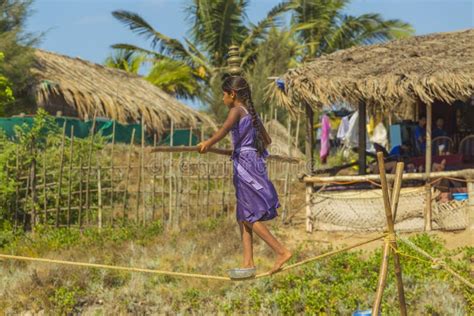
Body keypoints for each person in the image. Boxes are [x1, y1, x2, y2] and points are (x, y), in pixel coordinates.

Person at [197, 75, 292, 275]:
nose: (222, 98)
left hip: (245, 167)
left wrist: (208, 143)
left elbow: (224, 130)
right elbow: (266, 141)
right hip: (251, 162)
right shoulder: (251, 115)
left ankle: (281, 251)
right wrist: (243, 149)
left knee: (248, 215)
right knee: (242, 214)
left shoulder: (236, 110)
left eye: (224, 94)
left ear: (232, 94)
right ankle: (248, 262)